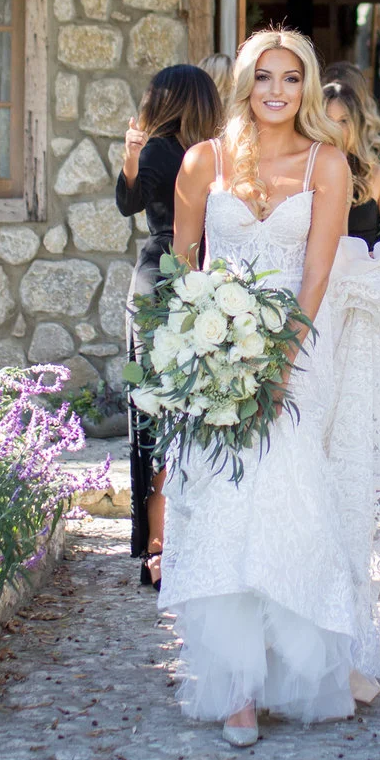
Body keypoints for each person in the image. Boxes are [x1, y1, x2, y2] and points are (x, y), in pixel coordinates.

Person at [158, 28, 380, 747]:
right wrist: (198, 345)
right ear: (245, 85)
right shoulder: (203, 162)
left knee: (287, 496)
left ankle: (295, 664)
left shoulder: (327, 163)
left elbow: (317, 271)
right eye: (265, 76)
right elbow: (182, 260)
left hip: (299, 352)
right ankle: (236, 685)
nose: (278, 90)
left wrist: (285, 353)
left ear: (306, 85)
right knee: (228, 500)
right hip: (217, 354)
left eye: (292, 78)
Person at [119, 64, 223, 587]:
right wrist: (132, 160)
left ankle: (161, 544)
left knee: (161, 412)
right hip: (188, 279)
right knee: (187, 410)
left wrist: (132, 160)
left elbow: (128, 202)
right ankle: (169, 545)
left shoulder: (170, 148)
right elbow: (130, 201)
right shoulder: (200, 151)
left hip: (166, 275)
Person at [321, 62, 380, 245]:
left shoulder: (378, 174)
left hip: (366, 269)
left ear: (355, 123)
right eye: (328, 120)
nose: (336, 129)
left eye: (344, 121)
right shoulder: (304, 172)